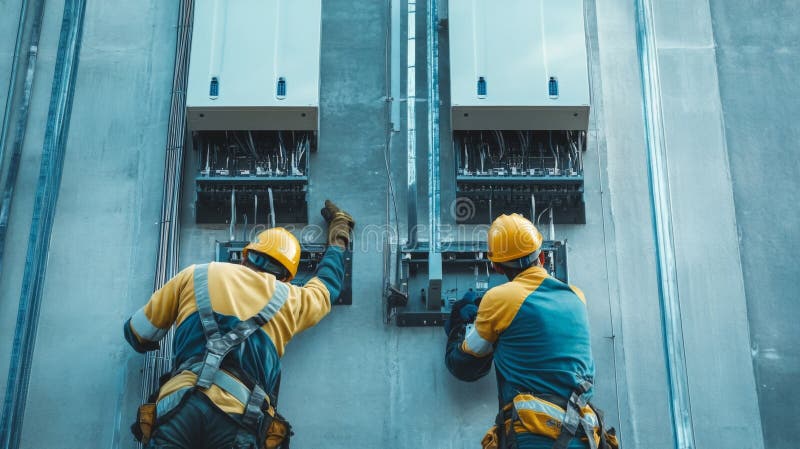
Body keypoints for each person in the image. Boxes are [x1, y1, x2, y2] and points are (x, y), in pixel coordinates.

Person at [124, 200, 354, 449]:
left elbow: (138, 333)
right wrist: (338, 235)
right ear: (287, 276)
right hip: (241, 415)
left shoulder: (195, 274)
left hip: (178, 406)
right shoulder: (292, 298)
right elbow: (327, 287)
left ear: (245, 258)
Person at [444, 213, 618, 449]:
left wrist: (459, 324)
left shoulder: (499, 299)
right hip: (583, 434)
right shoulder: (577, 297)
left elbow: (466, 361)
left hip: (534, 436)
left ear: (495, 266)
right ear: (543, 256)